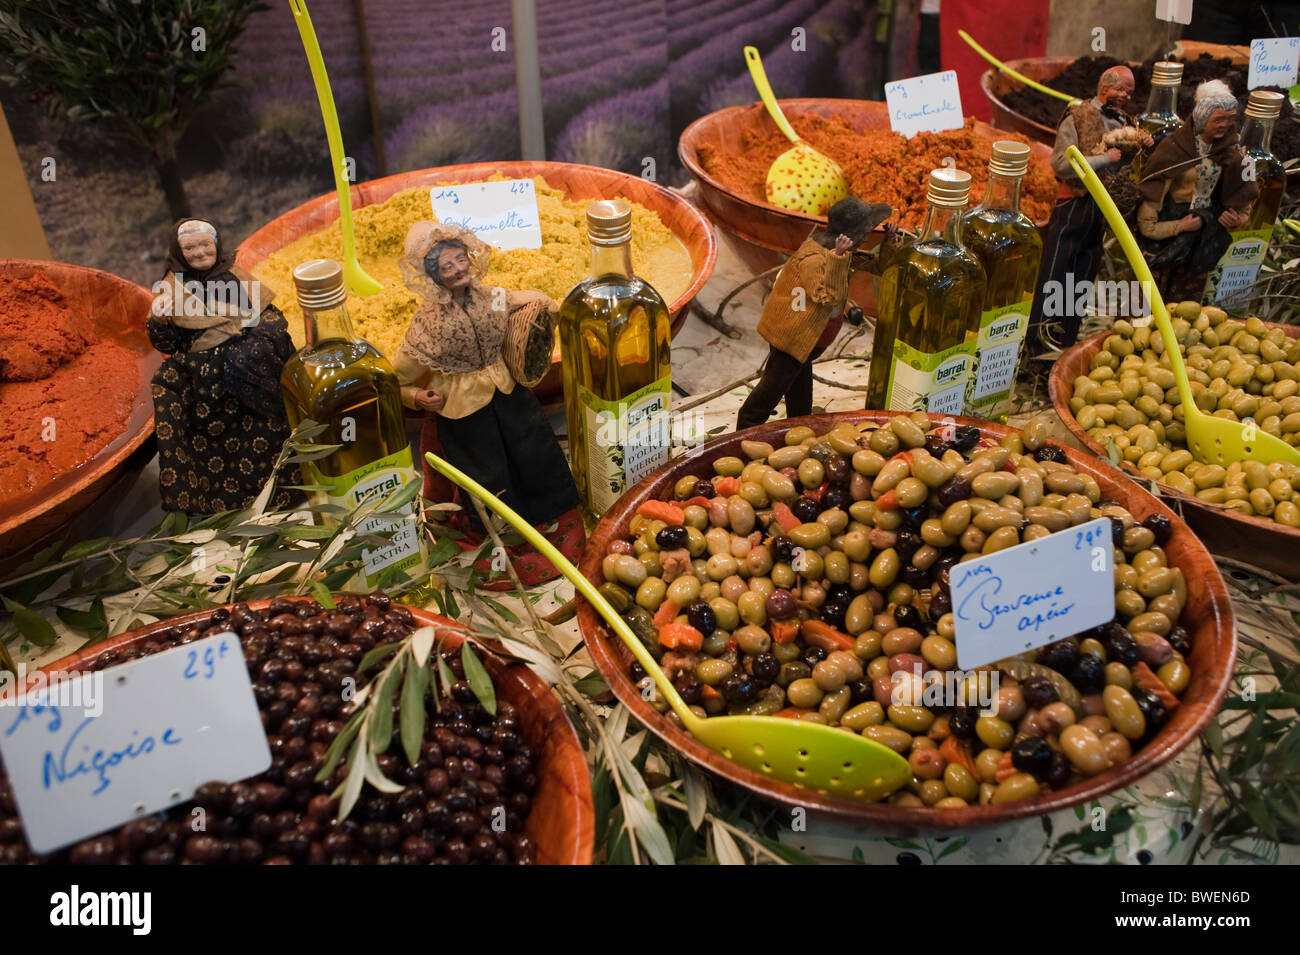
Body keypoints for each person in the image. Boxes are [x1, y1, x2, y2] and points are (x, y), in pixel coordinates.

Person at [393, 220, 583, 585]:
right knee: (487, 472)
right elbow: (396, 377)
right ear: (432, 274)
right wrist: (416, 397)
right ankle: (499, 534)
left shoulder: (488, 297)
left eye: (461, 259)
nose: (459, 269)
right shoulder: (427, 324)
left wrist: (543, 303)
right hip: (464, 411)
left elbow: (515, 298)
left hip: (508, 391)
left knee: (536, 451)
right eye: (447, 266)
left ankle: (552, 512)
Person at [148, 218, 299, 513]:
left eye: (205, 244)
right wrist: (159, 321)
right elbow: (166, 344)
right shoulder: (171, 291)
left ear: (215, 245)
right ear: (178, 252)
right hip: (211, 391)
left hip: (257, 372)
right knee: (221, 440)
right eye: (190, 248)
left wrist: (258, 342)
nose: (200, 252)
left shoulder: (236, 277)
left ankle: (290, 486)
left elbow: (270, 314)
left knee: (274, 427)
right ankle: (233, 504)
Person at [1026, 66, 1154, 353]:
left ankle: (1064, 344)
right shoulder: (1077, 116)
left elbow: (1130, 158)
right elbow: (1060, 163)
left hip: (1102, 209)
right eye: (1120, 89)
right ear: (1103, 86)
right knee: (1055, 272)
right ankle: (1035, 347)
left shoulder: (1125, 122)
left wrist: (1143, 141)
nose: (1124, 96)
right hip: (1075, 203)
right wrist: (1102, 159)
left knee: (1082, 278)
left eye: (1129, 92)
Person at [736, 197, 891, 431]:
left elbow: (880, 267)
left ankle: (800, 427)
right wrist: (837, 260)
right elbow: (828, 297)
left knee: (799, 395)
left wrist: (890, 242)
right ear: (850, 234)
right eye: (865, 232)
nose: (867, 238)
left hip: (808, 343)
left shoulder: (838, 252)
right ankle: (744, 431)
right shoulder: (815, 259)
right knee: (770, 391)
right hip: (792, 339)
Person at [1136, 80, 1258, 301]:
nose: (1224, 125)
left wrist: (1237, 218)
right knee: (1149, 294)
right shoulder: (1173, 148)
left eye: (1230, 120)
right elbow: (1150, 209)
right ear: (1202, 116)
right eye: (1218, 119)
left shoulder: (1233, 156)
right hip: (1170, 230)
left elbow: (1243, 199)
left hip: (1204, 232)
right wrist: (1177, 226)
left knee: (1186, 299)